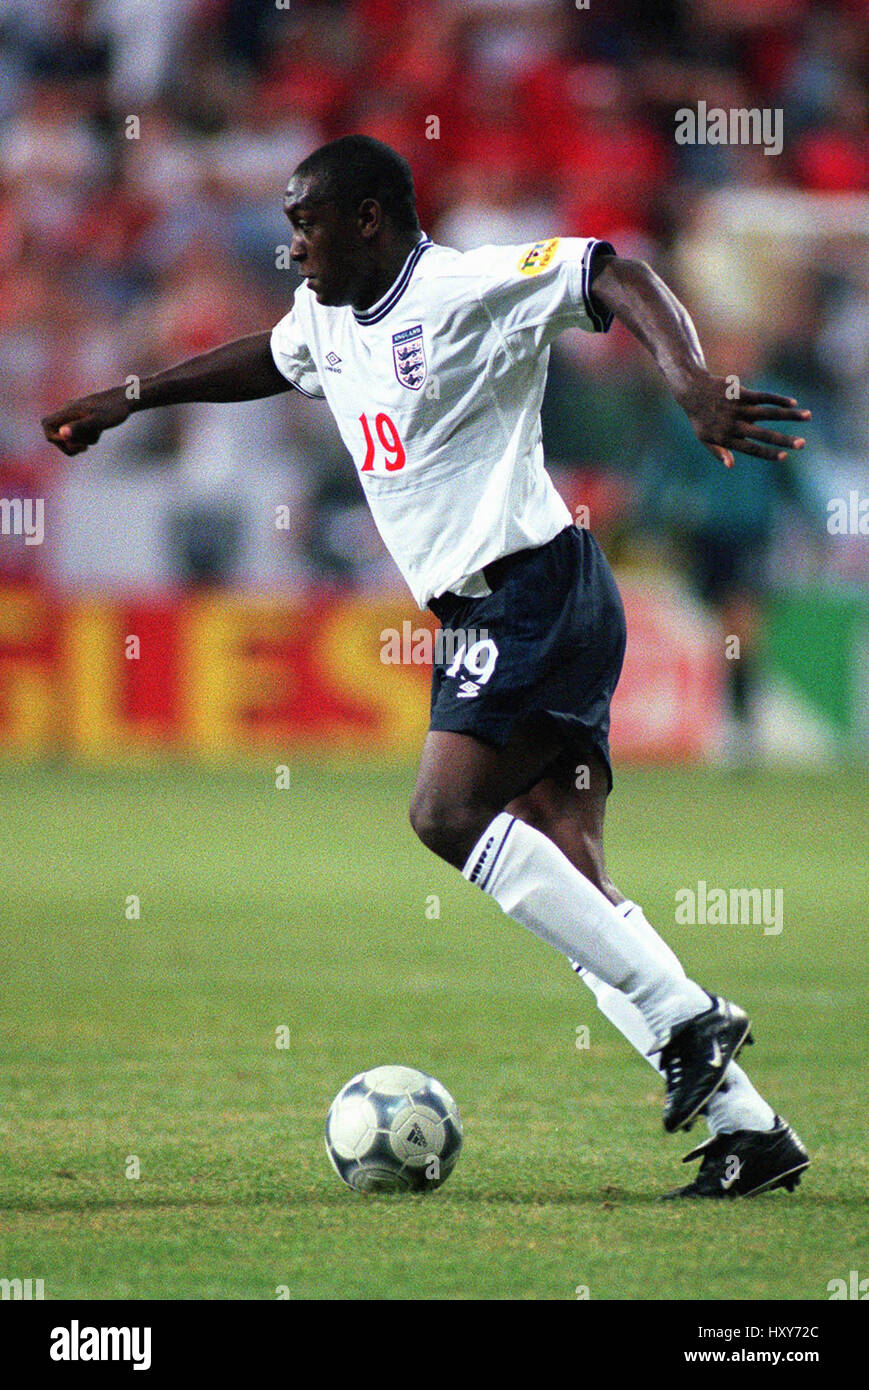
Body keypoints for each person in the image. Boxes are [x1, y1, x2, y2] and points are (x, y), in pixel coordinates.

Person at [43, 134, 811, 1198]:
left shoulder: (460, 287)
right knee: (571, 883)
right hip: (514, 601)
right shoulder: (324, 318)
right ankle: (748, 1129)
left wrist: (686, 380)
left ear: (369, 218)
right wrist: (131, 394)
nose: (292, 244)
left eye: (306, 221)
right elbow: (269, 357)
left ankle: (686, 1016)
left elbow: (611, 269)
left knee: (443, 816)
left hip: (528, 590)